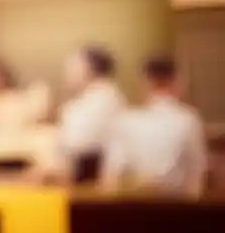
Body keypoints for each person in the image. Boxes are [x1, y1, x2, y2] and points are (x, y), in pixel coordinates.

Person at [102, 57, 210, 197]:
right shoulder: (188, 119)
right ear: (177, 82)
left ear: (145, 82)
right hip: (177, 207)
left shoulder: (126, 121)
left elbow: (111, 178)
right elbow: (197, 175)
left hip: (133, 205)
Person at [57, 46, 126, 184]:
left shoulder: (104, 98)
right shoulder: (90, 98)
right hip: (82, 173)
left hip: (92, 179)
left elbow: (78, 144)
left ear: (89, 68)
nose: (67, 72)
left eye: (73, 66)